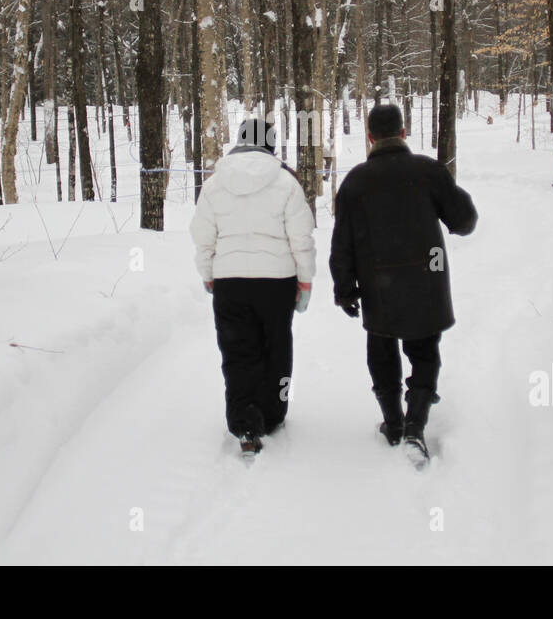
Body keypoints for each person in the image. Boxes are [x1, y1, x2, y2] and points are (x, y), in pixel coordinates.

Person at [329, 104, 477, 463]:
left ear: (370, 137)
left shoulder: (356, 182)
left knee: (381, 350)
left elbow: (342, 243)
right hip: (426, 278)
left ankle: (393, 423)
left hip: (377, 281)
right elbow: (465, 220)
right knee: (424, 351)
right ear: (404, 132)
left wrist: (344, 289)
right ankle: (415, 425)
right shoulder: (428, 171)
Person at [190, 118, 316, 457]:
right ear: (271, 145)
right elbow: (301, 238)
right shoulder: (286, 182)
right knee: (276, 348)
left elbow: (203, 237)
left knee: (237, 351)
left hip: (230, 281)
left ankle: (243, 418)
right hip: (277, 281)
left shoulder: (215, 184)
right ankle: (272, 414)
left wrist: (208, 274)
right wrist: (305, 279)